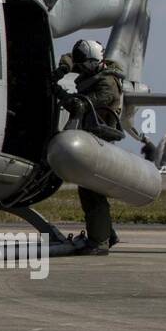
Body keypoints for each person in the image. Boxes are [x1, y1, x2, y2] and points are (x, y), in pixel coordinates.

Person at [54, 38, 125, 255]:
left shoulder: (107, 85)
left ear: (94, 62)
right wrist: (63, 67)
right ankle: (106, 234)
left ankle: (99, 241)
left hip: (98, 141)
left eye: (84, 65)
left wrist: (58, 92)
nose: (81, 68)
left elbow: (80, 105)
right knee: (91, 192)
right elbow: (71, 58)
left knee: (92, 193)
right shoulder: (92, 67)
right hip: (89, 139)